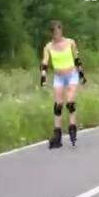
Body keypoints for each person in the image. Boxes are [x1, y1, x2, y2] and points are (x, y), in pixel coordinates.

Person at [40, 20, 82, 148]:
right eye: (54, 32)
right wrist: (43, 75)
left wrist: (81, 73)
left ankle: (72, 127)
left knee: (70, 101)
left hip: (71, 75)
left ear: (61, 31)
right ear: (51, 33)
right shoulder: (48, 47)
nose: (56, 35)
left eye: (58, 31)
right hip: (58, 76)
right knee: (58, 105)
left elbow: (76, 58)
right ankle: (57, 135)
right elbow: (45, 62)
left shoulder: (70, 42)